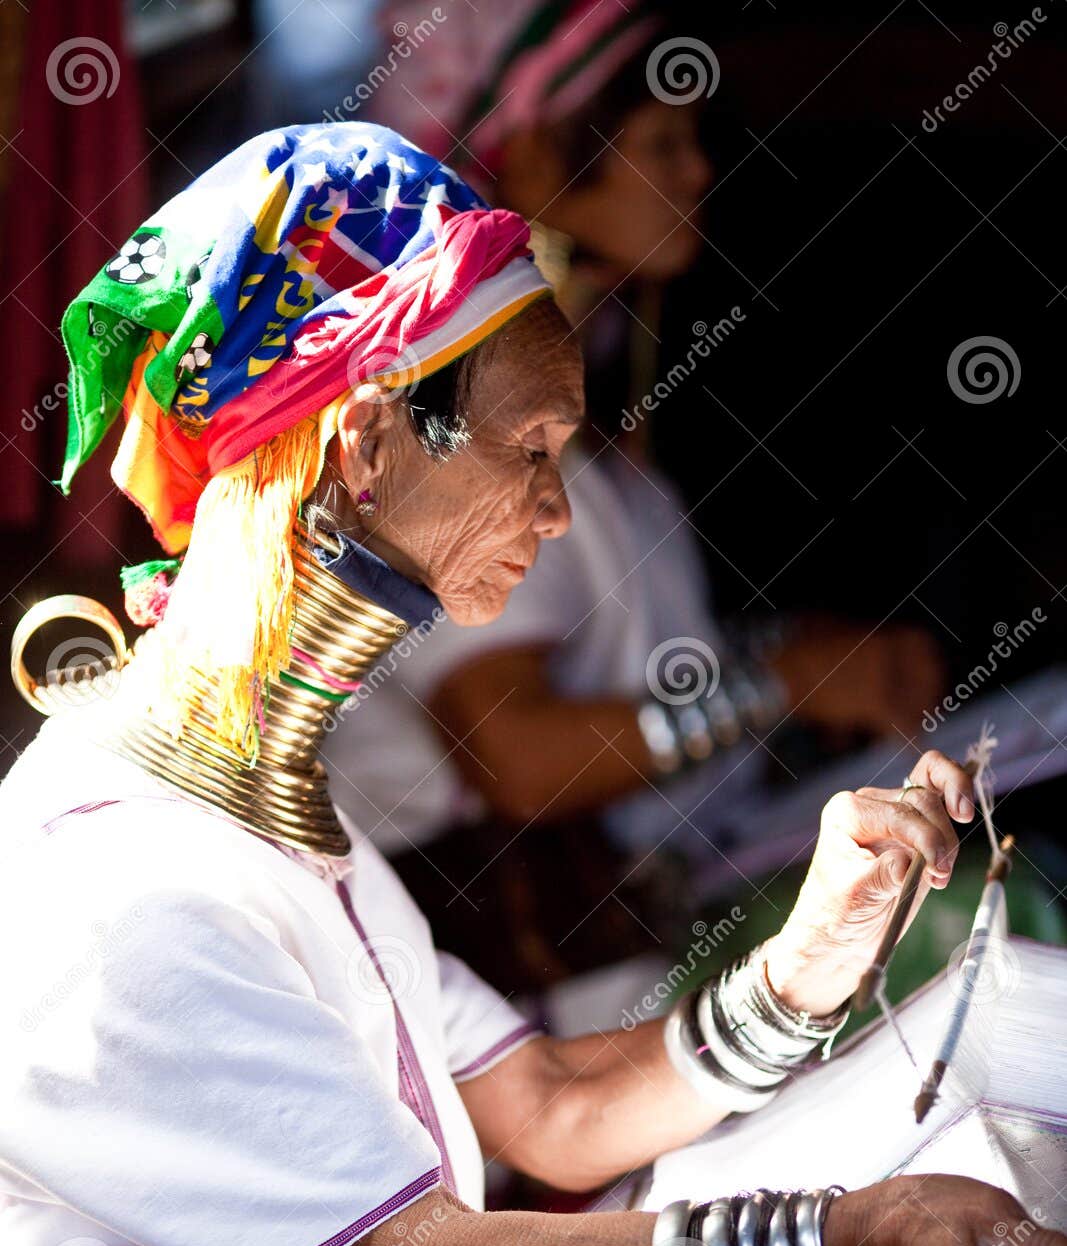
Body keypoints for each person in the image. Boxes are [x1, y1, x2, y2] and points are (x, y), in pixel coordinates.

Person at [1, 123, 1063, 1246]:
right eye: (526, 452)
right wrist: (853, 1228)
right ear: (366, 441)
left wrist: (806, 960)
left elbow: (554, 1113)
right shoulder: (118, 885)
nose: (554, 511)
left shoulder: (277, 821)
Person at [326, 0, 947, 1022]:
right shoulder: (446, 436)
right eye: (659, 141)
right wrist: (778, 683)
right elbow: (520, 761)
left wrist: (807, 657)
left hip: (655, 918)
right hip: (534, 996)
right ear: (528, 159)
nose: (696, 172)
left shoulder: (606, 459)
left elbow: (635, 660)